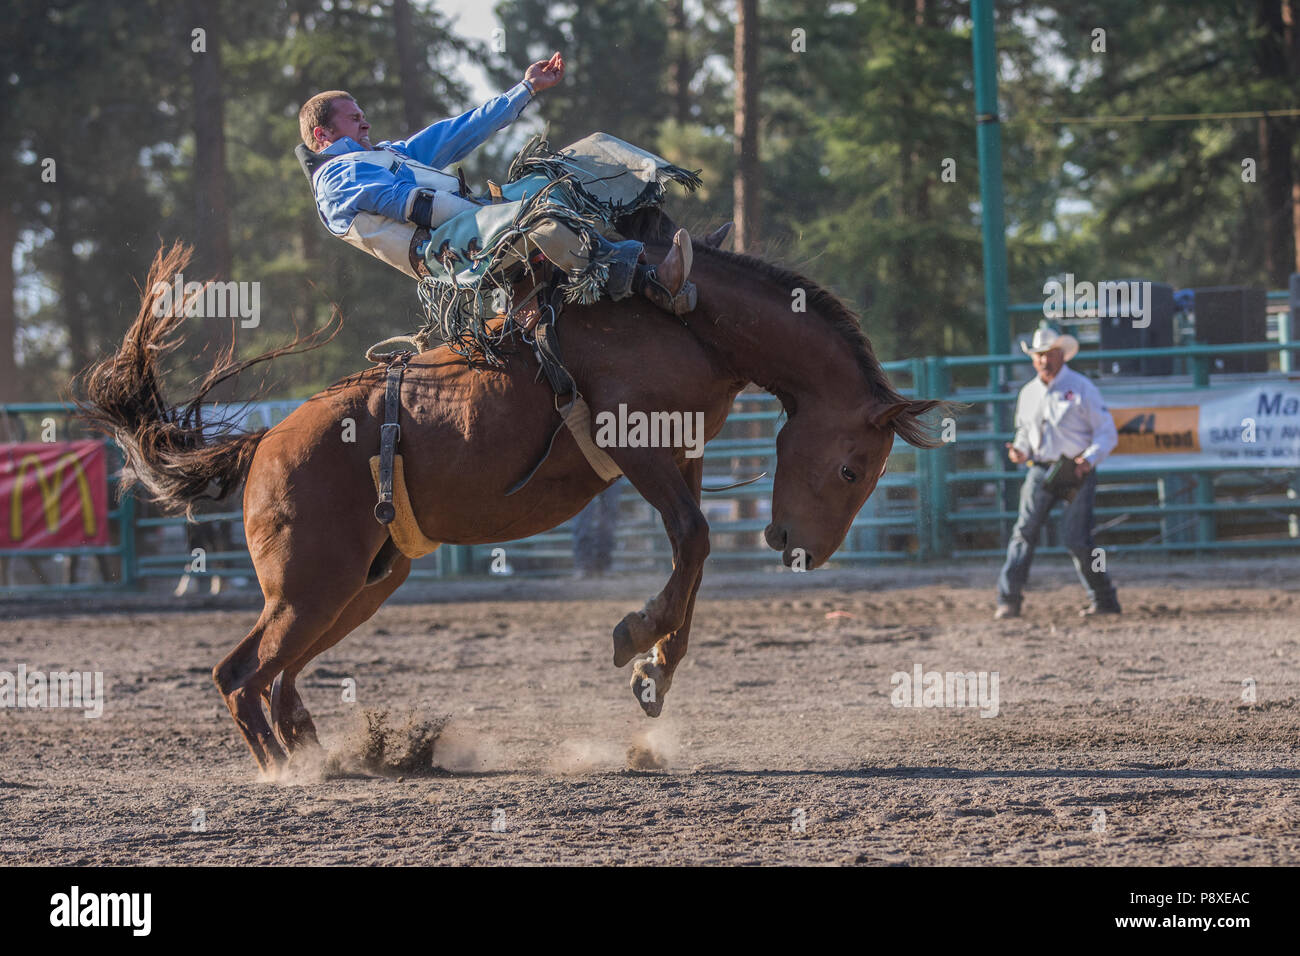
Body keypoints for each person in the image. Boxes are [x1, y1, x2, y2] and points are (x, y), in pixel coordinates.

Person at [295, 52, 694, 318]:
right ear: (323, 133)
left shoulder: (385, 152)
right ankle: (649, 282)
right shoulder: (335, 176)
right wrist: (495, 214)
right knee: (540, 217)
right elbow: (408, 203)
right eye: (353, 118)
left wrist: (526, 88)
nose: (365, 123)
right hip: (444, 252)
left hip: (473, 221)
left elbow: (458, 131)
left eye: (362, 115)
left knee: (581, 160)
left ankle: (668, 240)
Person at [995, 327, 1121, 620]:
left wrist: (1087, 460)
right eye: (1040, 355)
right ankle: (1008, 599)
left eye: (1050, 355)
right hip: (1041, 467)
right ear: (1034, 359)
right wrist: (1020, 451)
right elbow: (1025, 433)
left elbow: (1106, 433)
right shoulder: (1029, 394)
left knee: (1077, 539)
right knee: (1025, 532)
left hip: (1075, 469)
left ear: (1061, 356)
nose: (1044, 361)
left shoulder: (1082, 388)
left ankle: (1104, 598)